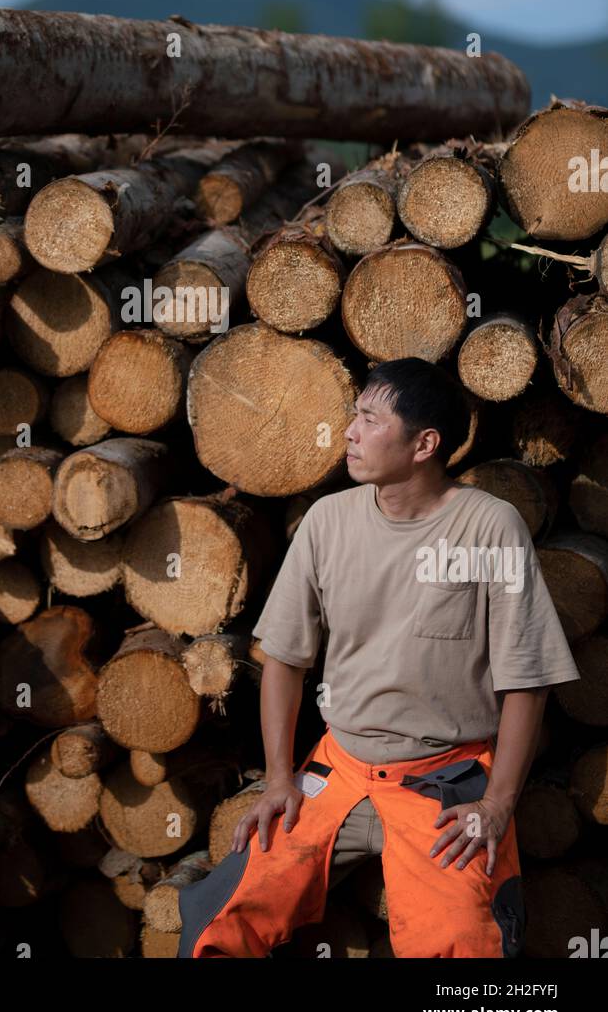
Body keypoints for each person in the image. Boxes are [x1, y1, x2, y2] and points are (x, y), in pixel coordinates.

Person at [177, 357, 581, 958]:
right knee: (219, 919)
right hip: (335, 772)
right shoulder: (327, 522)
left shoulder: (489, 527)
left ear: (425, 444)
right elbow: (285, 661)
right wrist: (280, 779)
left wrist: (496, 805)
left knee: (467, 945)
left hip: (442, 784)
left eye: (369, 418)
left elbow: (528, 681)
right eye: (354, 416)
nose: (349, 432)